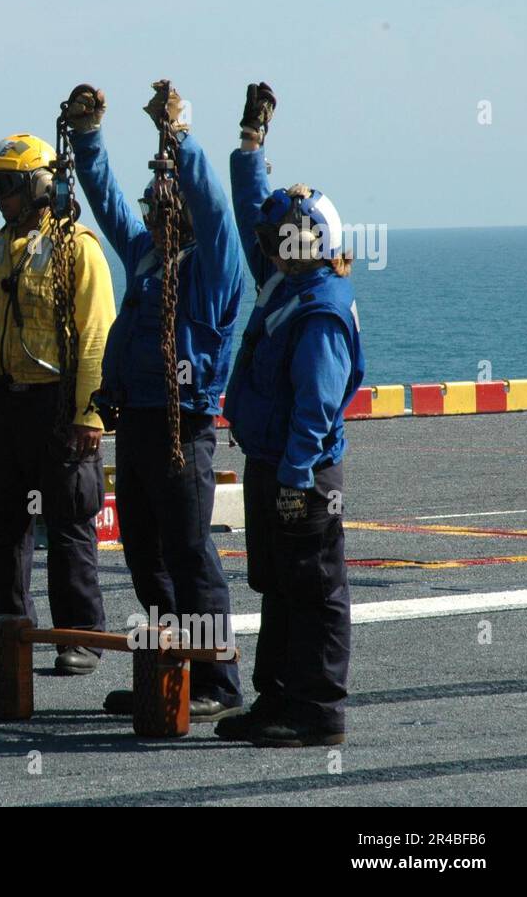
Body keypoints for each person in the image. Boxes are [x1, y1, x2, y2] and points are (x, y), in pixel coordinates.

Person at [63, 81, 244, 721]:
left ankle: (217, 682)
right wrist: (88, 138)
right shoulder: (146, 256)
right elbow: (109, 203)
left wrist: (180, 137)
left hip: (181, 428)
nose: (156, 208)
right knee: (145, 555)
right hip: (137, 425)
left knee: (190, 554)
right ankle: (173, 669)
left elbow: (217, 210)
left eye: (169, 199)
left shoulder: (216, 264)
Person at [217, 83, 364, 747]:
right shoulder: (288, 279)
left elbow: (317, 404)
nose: (271, 244)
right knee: (278, 585)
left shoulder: (321, 308)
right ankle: (275, 698)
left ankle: (318, 711)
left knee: (314, 590)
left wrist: (297, 480)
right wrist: (252, 145)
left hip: (301, 474)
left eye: (284, 236)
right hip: (273, 463)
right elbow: (254, 206)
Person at [0, 134, 114, 674]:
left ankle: (79, 636)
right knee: (1, 526)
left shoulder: (78, 248)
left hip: (57, 409)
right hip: (3, 408)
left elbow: (95, 336)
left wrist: (89, 414)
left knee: (67, 522)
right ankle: (7, 632)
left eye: (6, 186)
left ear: (40, 186)